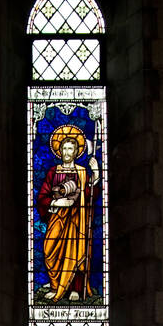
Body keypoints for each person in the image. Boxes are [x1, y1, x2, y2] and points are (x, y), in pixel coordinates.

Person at [35, 124, 99, 301]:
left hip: (77, 219)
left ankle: (75, 289)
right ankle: (56, 285)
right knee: (49, 249)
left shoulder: (82, 172)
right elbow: (42, 197)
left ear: (76, 151)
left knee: (76, 250)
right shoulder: (53, 171)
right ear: (59, 150)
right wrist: (56, 202)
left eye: (70, 148)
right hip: (57, 217)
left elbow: (90, 194)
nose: (66, 151)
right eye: (64, 148)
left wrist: (96, 173)